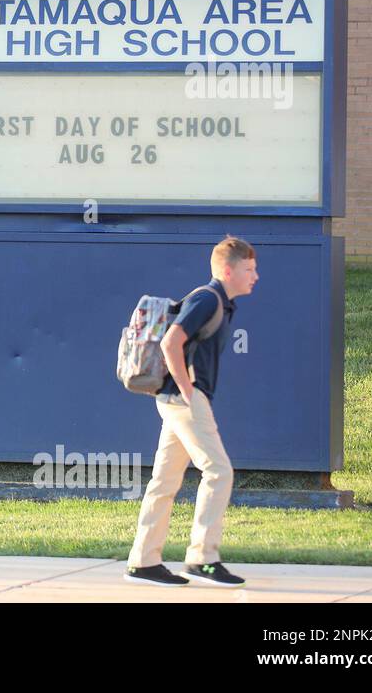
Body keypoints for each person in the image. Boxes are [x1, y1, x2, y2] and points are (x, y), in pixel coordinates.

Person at [125, 235, 259, 588]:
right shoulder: (207, 298)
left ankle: (143, 562)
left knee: (164, 481)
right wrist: (188, 389)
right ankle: (203, 558)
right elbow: (171, 341)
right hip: (184, 400)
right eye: (249, 269)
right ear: (228, 271)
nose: (255, 276)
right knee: (219, 471)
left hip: (174, 401)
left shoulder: (219, 302)